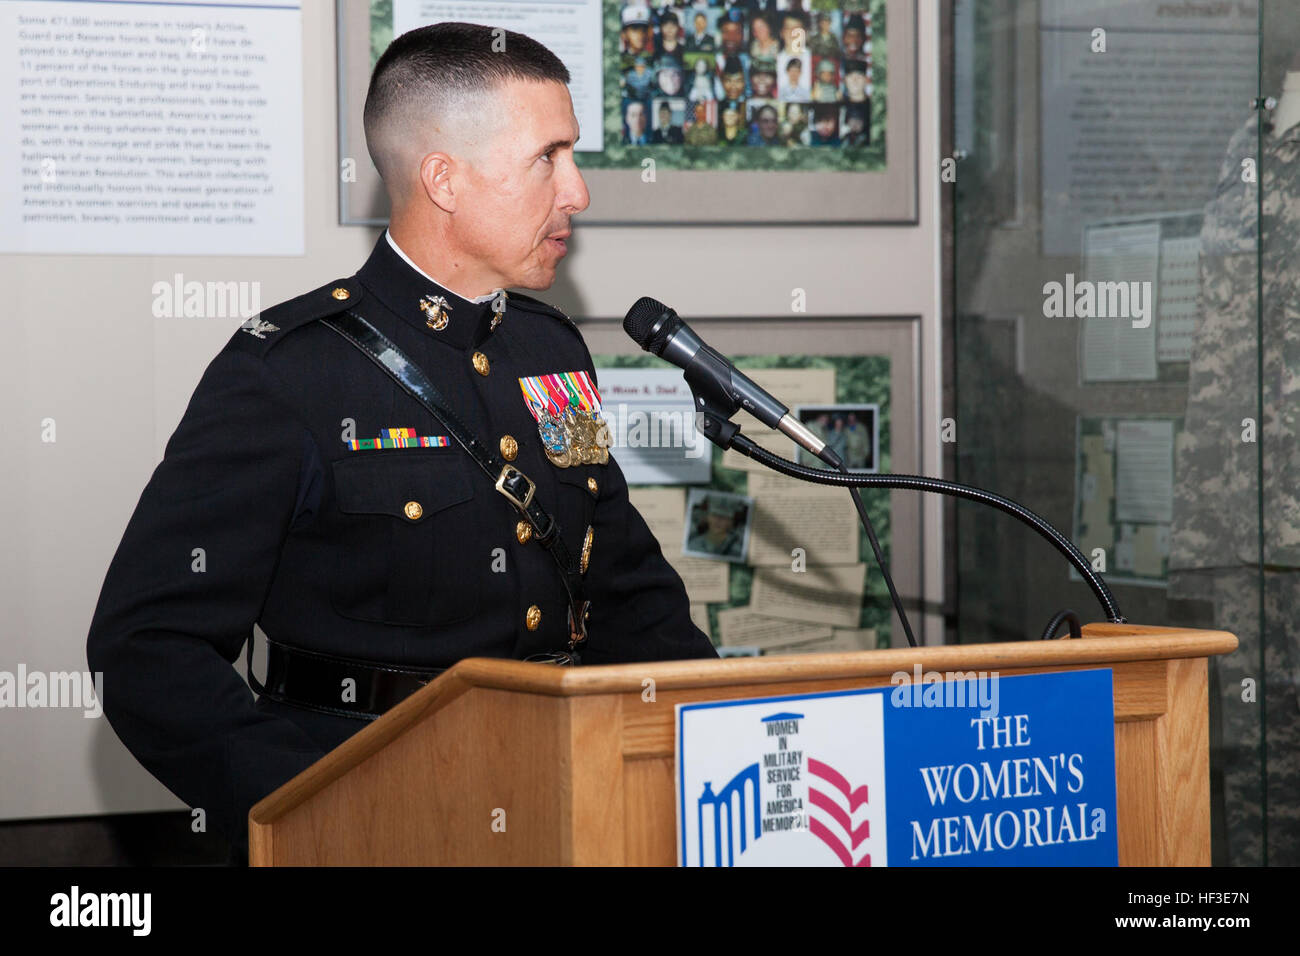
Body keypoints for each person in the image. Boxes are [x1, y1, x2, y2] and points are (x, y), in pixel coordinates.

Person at [85, 21, 717, 863]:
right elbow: (146, 649)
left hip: (562, 800)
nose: (578, 192)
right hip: (372, 814)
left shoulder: (547, 349)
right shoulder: (288, 369)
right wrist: (325, 810)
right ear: (444, 179)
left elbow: (625, 587)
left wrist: (716, 728)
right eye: (550, 157)